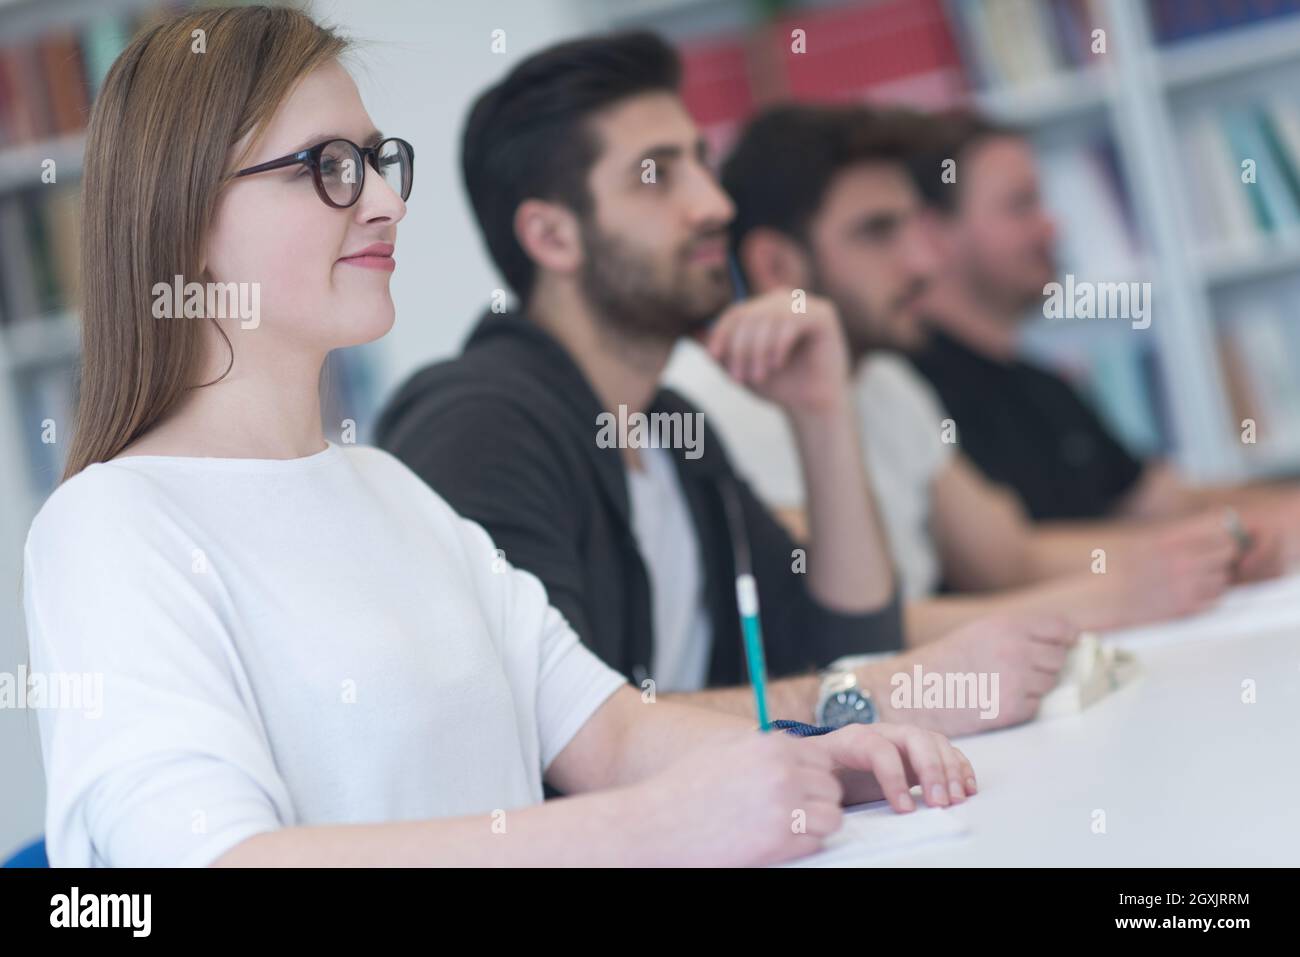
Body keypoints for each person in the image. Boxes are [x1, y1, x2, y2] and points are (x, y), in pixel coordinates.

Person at [23, 6, 976, 869]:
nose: (388, 203)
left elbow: (607, 733)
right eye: (327, 168)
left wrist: (824, 754)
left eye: (377, 160)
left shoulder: (392, 489)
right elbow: (216, 862)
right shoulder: (111, 526)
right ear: (185, 218)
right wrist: (653, 826)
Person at [377, 32, 1077, 737]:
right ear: (554, 238)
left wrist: (821, 411)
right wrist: (872, 693)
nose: (714, 205)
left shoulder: (672, 428)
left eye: (702, 164)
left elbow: (842, 645)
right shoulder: (480, 424)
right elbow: (551, 734)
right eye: (657, 175)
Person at [717, 104, 1272, 645]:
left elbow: (1008, 557)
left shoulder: (885, 381)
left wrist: (1198, 551)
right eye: (877, 232)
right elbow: (847, 635)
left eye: (912, 228)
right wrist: (1119, 593)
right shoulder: (723, 411)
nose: (923, 263)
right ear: (776, 265)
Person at [904, 110, 1300, 556]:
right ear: (934, 233)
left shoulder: (1044, 385)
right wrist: (1217, 538)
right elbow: (1008, 559)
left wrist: (1279, 513)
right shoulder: (912, 392)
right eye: (1021, 205)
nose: (1052, 226)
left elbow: (1161, 501)